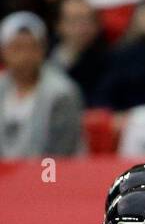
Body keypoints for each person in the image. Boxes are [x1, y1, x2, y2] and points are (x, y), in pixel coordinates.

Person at [0, 10, 83, 159]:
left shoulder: (62, 92)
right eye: (17, 48)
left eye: (31, 47)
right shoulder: (2, 86)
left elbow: (60, 153)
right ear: (3, 51)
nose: (24, 56)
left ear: (43, 49)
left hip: (47, 176)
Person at [51, 0, 109, 105]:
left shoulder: (109, 62)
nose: (83, 27)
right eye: (75, 20)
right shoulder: (43, 56)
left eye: (89, 20)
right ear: (59, 25)